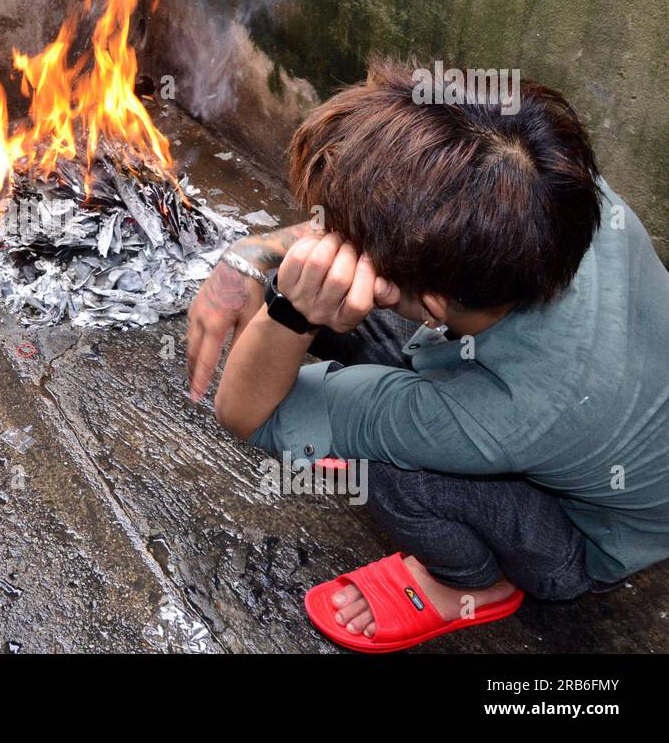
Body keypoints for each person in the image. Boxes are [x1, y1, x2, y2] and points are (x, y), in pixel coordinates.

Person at [187, 59, 669, 651]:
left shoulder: (505, 413)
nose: (323, 237)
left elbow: (246, 416)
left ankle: (470, 582)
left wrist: (292, 307)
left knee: (389, 469)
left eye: (345, 239)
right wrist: (248, 256)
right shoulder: (545, 181)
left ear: (435, 302)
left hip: (582, 536)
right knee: (331, 316)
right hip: (583, 407)